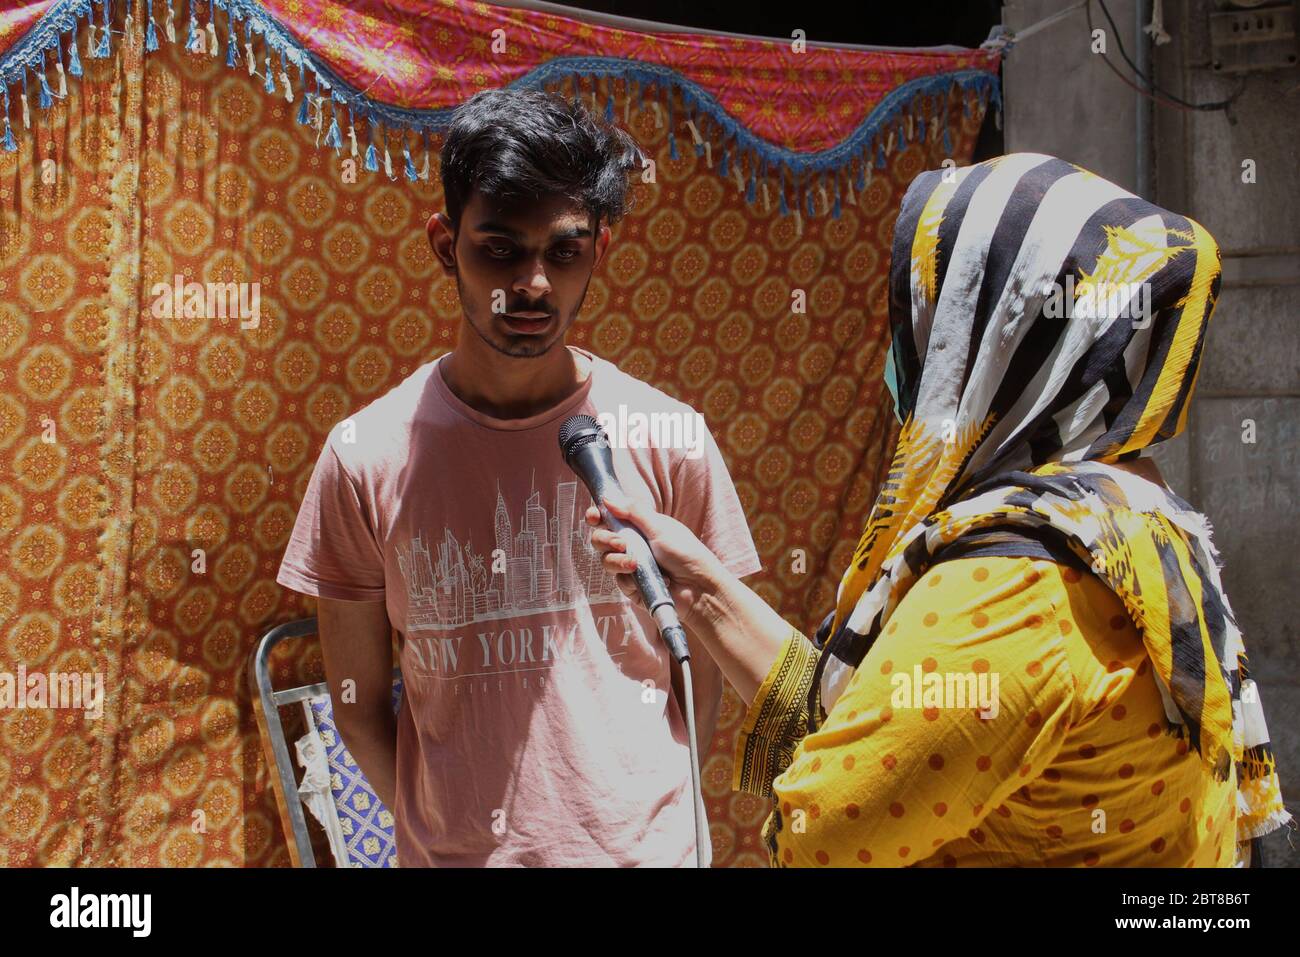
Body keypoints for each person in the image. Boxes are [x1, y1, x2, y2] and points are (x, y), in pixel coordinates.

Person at [586, 152, 1291, 867]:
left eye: (928, 321)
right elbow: (869, 711)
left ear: (993, 339)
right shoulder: (1121, 516)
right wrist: (699, 585)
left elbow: (823, 832)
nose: (902, 361)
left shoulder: (1017, 580)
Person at [277, 87, 761, 867]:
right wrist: (442, 831)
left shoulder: (669, 439)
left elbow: (699, 669)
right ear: (445, 245)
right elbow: (358, 702)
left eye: (564, 251)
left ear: (600, 250)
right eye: (501, 248)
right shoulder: (362, 456)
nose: (533, 284)